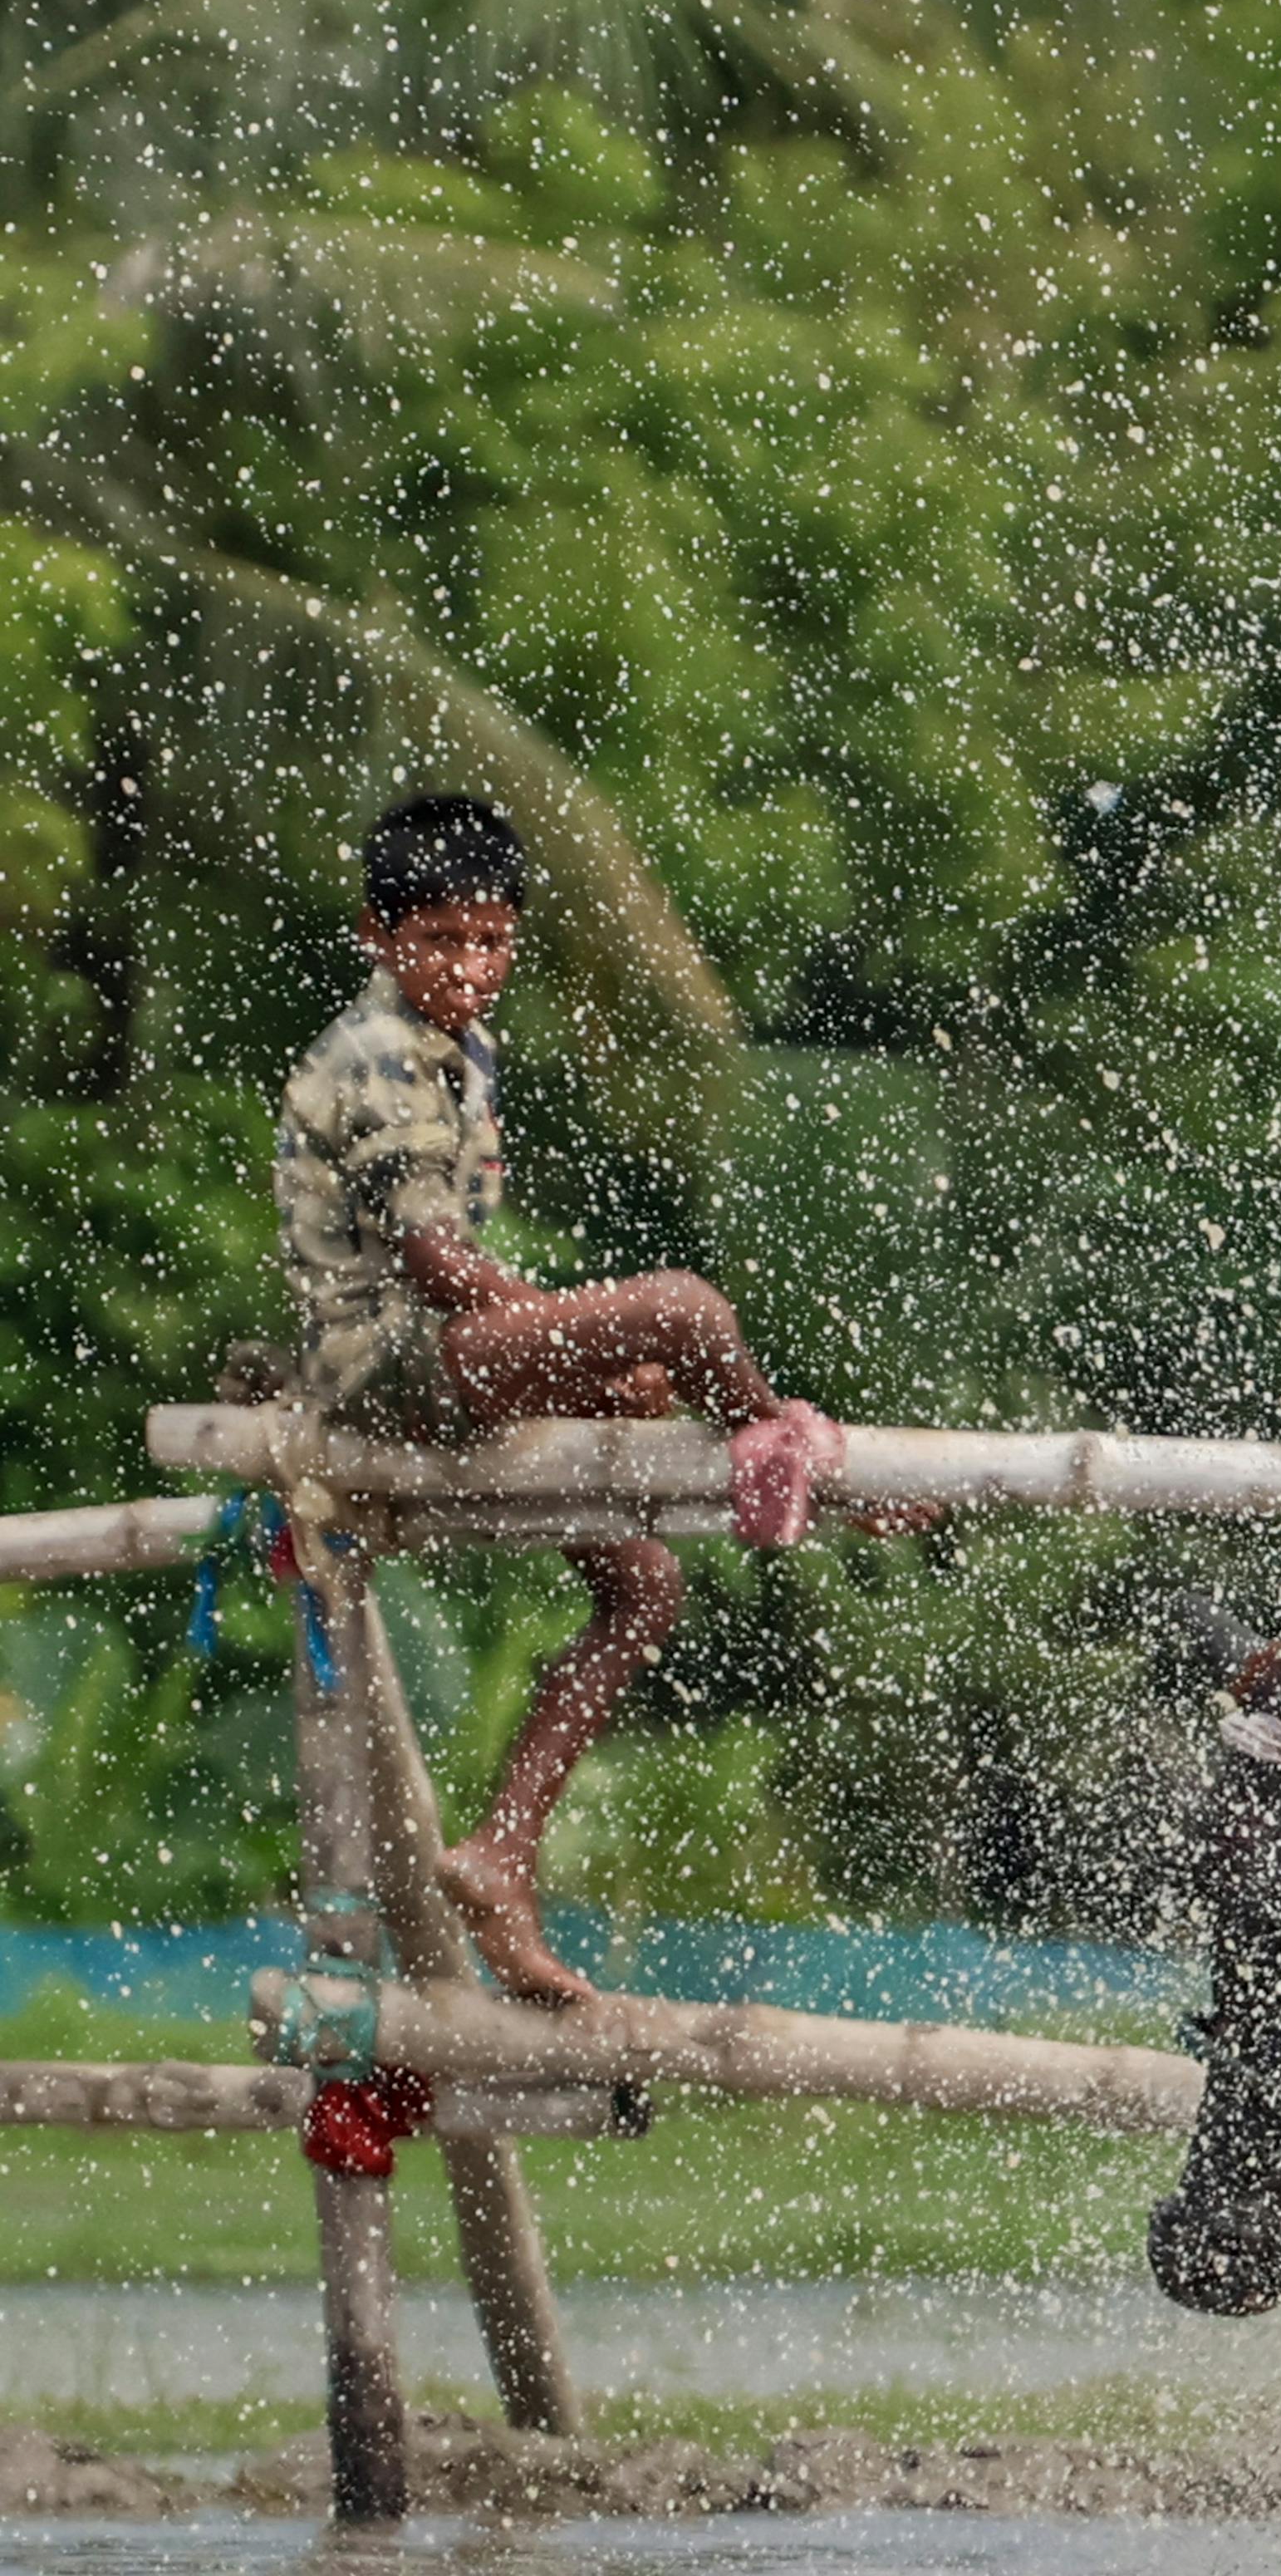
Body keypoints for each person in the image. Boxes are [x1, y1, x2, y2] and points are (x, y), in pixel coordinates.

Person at [271, 788, 840, 2003]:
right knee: (684, 1310)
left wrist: (582, 1354)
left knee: (644, 1582)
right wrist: (588, 1341)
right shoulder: (376, 1052)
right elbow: (436, 1267)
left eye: (489, 941)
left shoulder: (462, 1052)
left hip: (451, 1361)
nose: (470, 966)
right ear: (380, 934)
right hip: (392, 1378)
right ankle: (775, 1439)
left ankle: (502, 1850)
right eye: (440, 940)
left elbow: (471, 1284)